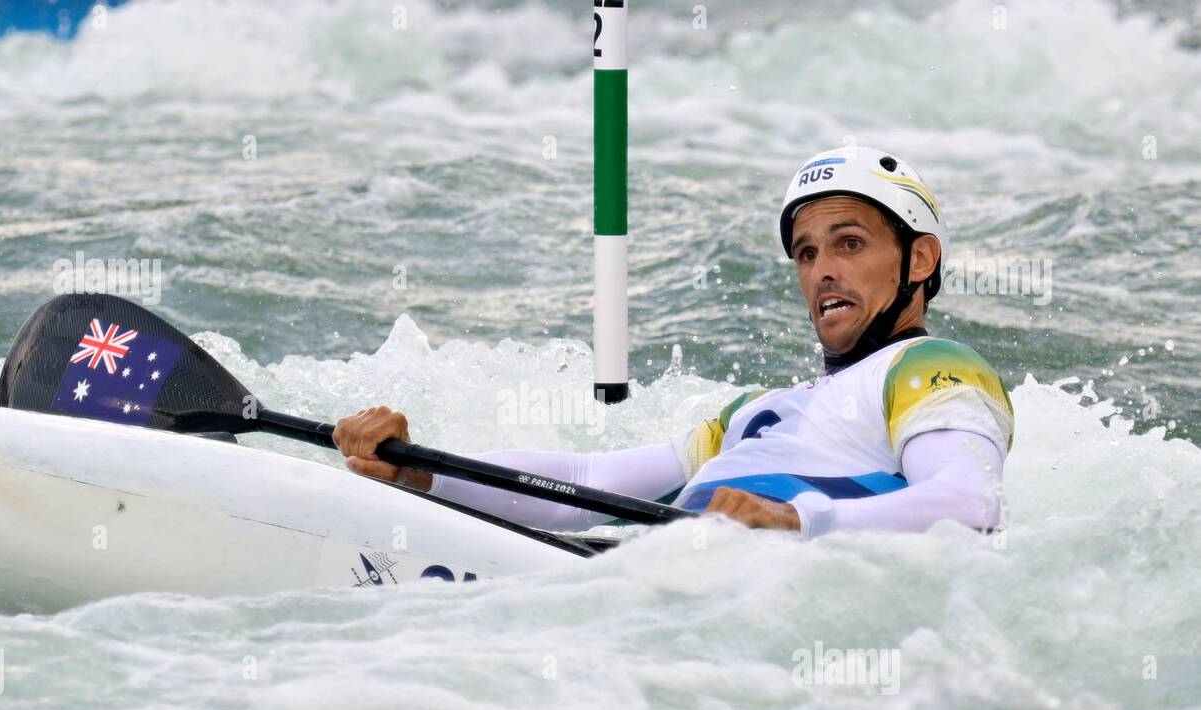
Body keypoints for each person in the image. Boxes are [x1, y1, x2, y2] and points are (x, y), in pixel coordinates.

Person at [333, 146, 1013, 539]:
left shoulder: (930, 367)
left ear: (920, 260)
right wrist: (422, 470)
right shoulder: (755, 410)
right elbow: (588, 482)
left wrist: (797, 523)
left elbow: (968, 502)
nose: (822, 270)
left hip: (751, 600)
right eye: (806, 254)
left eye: (850, 244)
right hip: (656, 586)